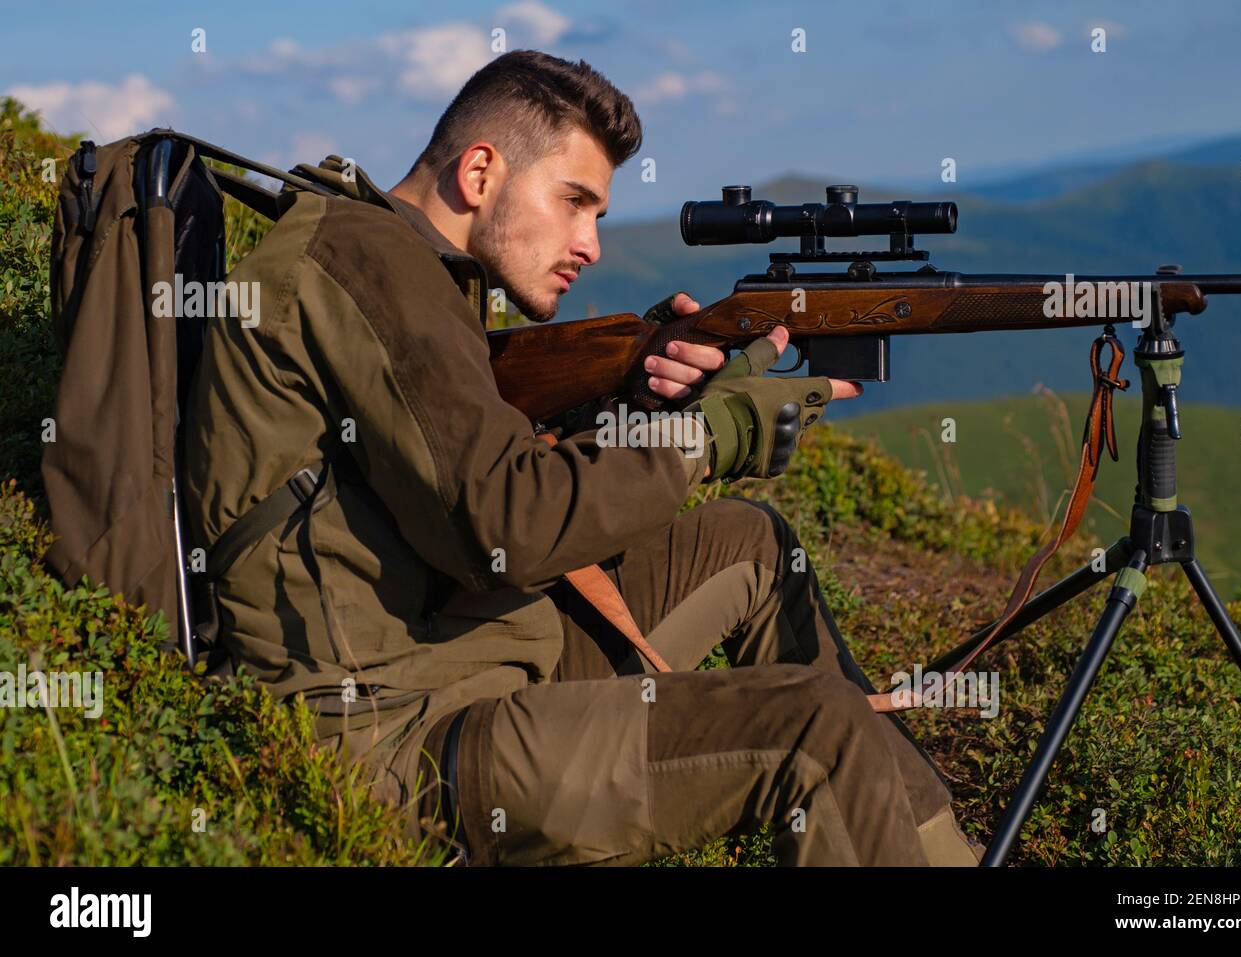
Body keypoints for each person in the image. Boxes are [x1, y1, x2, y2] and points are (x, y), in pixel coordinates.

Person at [183, 49, 982, 866]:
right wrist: (704, 435)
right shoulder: (363, 263)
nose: (590, 244)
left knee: (752, 544)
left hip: (471, 649)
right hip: (392, 741)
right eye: (575, 204)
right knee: (820, 727)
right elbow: (507, 525)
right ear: (481, 170)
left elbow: (461, 470)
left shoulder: (400, 261)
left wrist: (632, 411)